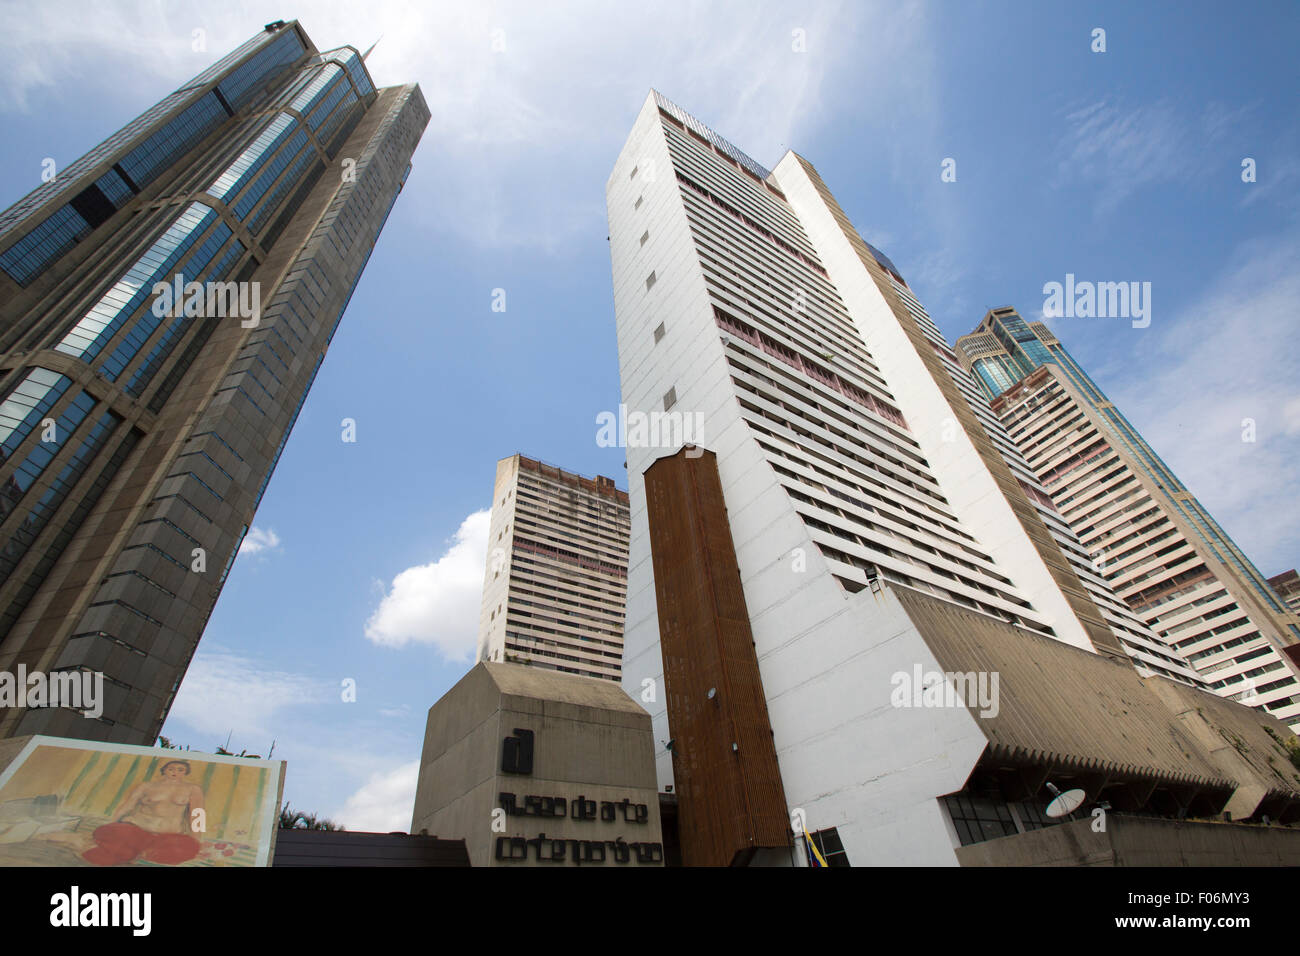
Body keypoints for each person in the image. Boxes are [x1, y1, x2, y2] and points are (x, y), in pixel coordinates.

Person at [82, 760, 205, 866]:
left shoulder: (193, 789)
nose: (175, 772)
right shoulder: (147, 786)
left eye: (180, 770)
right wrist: (112, 824)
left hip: (167, 836)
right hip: (137, 829)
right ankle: (129, 851)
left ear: (185, 773)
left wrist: (197, 840)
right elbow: (128, 806)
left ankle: (136, 853)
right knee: (113, 842)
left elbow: (197, 814)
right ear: (164, 770)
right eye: (171, 769)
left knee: (186, 849)